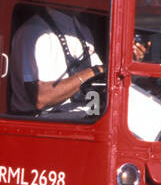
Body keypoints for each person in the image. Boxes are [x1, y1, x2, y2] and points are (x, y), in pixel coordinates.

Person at [9, 7, 147, 115]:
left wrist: (130, 64)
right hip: (44, 126)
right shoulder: (34, 32)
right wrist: (93, 72)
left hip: (82, 118)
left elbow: (99, 82)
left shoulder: (83, 30)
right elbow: (41, 98)